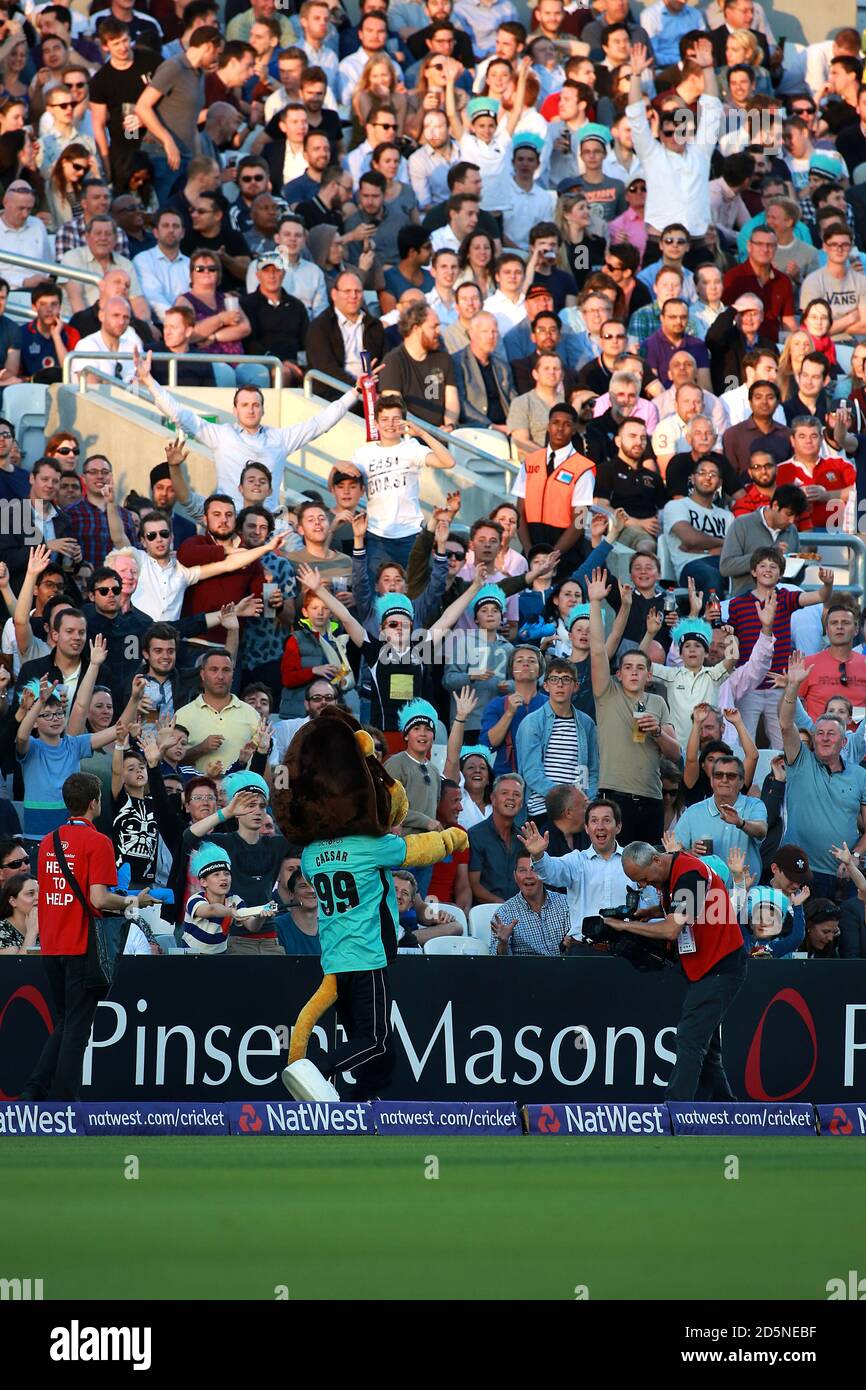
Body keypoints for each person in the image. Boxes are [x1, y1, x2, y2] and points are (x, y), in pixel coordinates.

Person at [23, 772, 158, 1100]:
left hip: (52, 944)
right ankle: (66, 1100)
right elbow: (98, 899)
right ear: (95, 802)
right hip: (82, 944)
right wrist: (133, 901)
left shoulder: (48, 841)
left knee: (66, 1021)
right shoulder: (98, 842)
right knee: (78, 1028)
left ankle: (35, 1088)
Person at [134, 350, 356, 513]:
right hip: (227, 522)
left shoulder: (279, 439)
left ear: (262, 409)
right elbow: (179, 414)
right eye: (245, 405)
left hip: (267, 525)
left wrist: (355, 393)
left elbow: (320, 424)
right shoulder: (221, 435)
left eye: (255, 405)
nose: (251, 409)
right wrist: (148, 380)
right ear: (235, 410)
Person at [613, 840, 747, 1100]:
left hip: (721, 966)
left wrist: (624, 927)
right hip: (706, 967)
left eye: (643, 879)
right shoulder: (674, 871)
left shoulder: (690, 875)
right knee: (705, 1049)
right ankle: (727, 1110)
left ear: (656, 861)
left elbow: (671, 929)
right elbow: (687, 908)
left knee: (689, 1038)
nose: (643, 885)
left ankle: (676, 1110)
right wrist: (650, 911)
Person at [588, 568, 679, 844]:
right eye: (627, 667)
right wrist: (595, 603)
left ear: (650, 675)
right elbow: (597, 650)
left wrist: (657, 732)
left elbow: (675, 753)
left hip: (652, 797)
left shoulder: (658, 701)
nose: (634, 672)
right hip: (614, 797)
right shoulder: (607, 692)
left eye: (641, 668)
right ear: (619, 673)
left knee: (648, 875)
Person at [780, 654, 866, 902]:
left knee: (842, 938)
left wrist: (855, 858)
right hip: (800, 872)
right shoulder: (800, 761)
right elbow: (786, 725)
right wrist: (793, 686)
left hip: (843, 875)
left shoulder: (860, 775)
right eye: (819, 733)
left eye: (831, 734)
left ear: (844, 742)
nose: (825, 737)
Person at [351, 393, 455, 572]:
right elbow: (345, 483)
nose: (390, 424)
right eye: (384, 419)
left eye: (395, 419)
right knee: (379, 595)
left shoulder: (411, 447)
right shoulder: (362, 454)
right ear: (376, 423)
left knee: (415, 592)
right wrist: (340, 465)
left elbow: (449, 461)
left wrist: (422, 433)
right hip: (377, 535)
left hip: (411, 534)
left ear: (404, 422)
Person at [377, 300, 458, 428]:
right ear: (416, 329)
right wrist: (426, 432)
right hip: (411, 435)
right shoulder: (393, 361)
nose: (439, 331)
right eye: (433, 327)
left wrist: (450, 425)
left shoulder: (443, 358)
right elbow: (394, 408)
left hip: (443, 434)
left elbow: (452, 401)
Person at [719, 481, 805, 595]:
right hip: (746, 600)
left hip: (781, 601)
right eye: (789, 514)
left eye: (796, 516)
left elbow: (794, 578)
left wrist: (801, 565)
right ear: (775, 505)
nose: (792, 521)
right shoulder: (742, 524)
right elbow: (726, 567)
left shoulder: (792, 530)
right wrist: (767, 554)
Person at [487, 852, 571, 956]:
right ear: (515, 876)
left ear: (544, 873)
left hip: (564, 969)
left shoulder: (566, 903)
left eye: (534, 869)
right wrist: (503, 943)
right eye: (522, 870)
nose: (528, 876)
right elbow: (497, 964)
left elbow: (578, 946)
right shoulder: (504, 913)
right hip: (526, 971)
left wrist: (573, 943)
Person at [468, 772, 526, 904]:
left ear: (521, 803)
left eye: (516, 794)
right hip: (485, 913)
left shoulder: (523, 838)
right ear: (493, 799)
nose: (511, 798)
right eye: (504, 793)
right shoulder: (475, 835)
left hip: (520, 912)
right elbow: (475, 886)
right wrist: (505, 907)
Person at [453, 310, 514, 430]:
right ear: (471, 334)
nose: (491, 336)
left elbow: (513, 398)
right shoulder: (457, 362)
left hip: (507, 426)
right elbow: (461, 402)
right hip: (476, 428)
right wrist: (490, 426)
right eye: (485, 332)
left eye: (494, 331)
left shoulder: (501, 364)